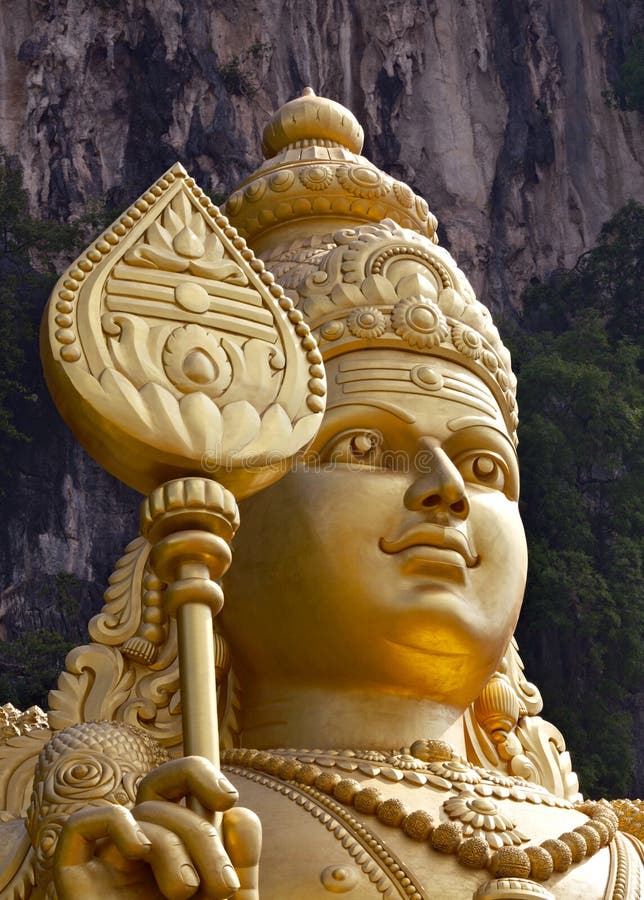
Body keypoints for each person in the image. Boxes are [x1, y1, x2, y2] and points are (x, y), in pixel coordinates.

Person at [0, 90, 641, 900]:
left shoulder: (618, 851)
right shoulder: (144, 837)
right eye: (365, 448)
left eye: (485, 468)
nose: (446, 492)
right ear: (228, 509)